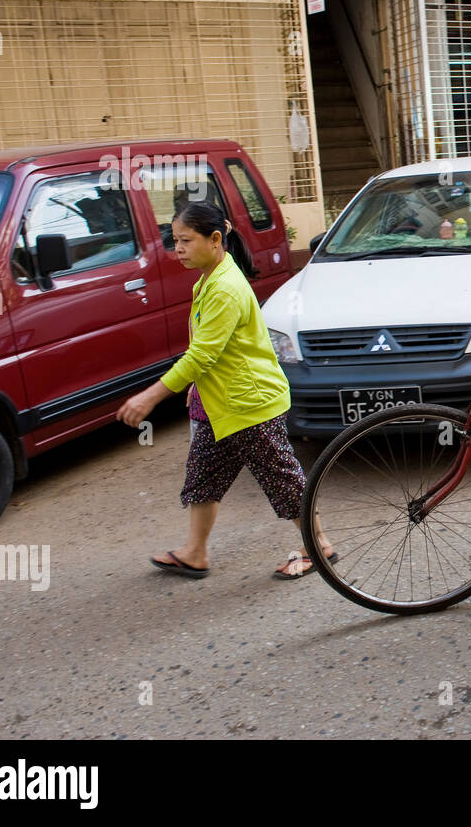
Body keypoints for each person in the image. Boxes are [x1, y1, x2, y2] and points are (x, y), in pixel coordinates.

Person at [116, 202, 330, 580]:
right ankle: (195, 552)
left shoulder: (224, 288)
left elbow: (201, 354)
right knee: (203, 477)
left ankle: (319, 546)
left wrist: (150, 396)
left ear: (215, 239)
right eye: (175, 240)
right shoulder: (208, 280)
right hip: (218, 404)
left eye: (186, 240)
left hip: (249, 403)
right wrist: (197, 386)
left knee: (281, 480)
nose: (178, 249)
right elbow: (212, 350)